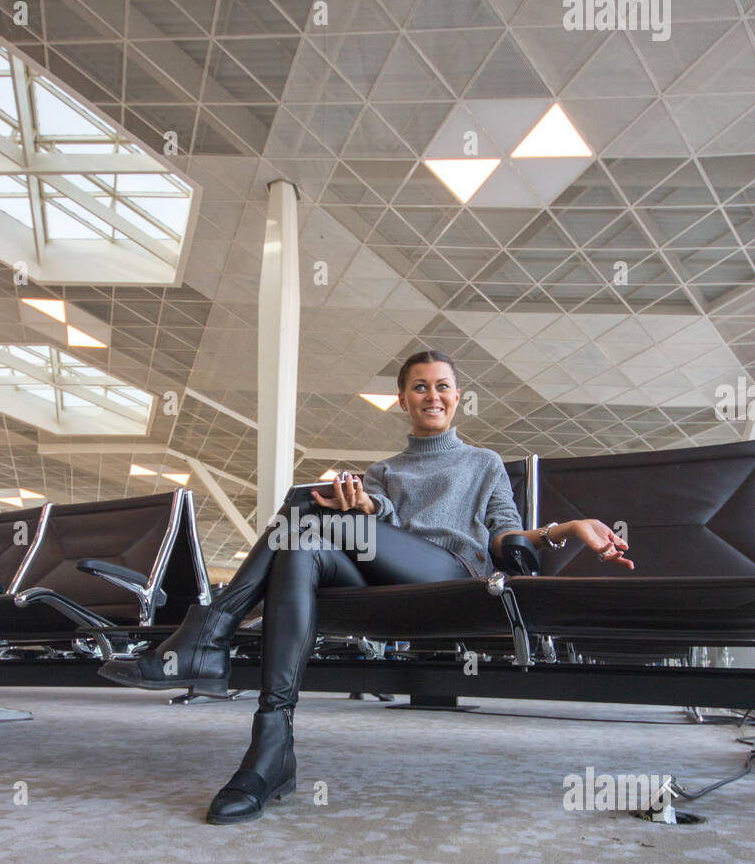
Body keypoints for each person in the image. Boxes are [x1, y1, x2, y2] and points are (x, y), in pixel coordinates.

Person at [100, 351, 633, 824]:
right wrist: (362, 504)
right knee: (298, 540)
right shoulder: (383, 470)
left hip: (449, 575)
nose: (432, 395)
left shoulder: (483, 463)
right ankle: (270, 754)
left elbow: (504, 538)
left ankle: (209, 636)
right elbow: (377, 514)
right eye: (420, 387)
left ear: (458, 398)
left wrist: (565, 529)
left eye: (443, 386)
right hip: (379, 579)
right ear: (402, 400)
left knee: (303, 510)